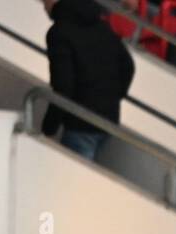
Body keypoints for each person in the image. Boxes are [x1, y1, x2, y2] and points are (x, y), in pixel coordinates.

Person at [41, 0, 135, 162]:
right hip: (108, 119)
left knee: (70, 179)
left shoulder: (59, 33)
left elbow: (63, 86)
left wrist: (49, 128)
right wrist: (110, 98)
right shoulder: (101, 26)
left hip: (80, 122)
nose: (43, 5)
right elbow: (128, 66)